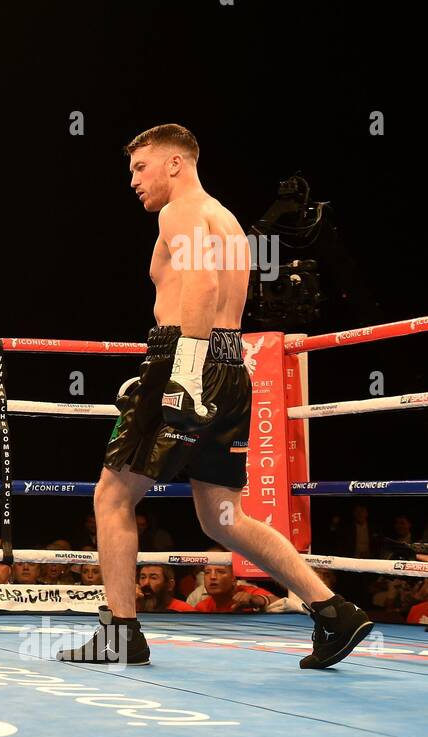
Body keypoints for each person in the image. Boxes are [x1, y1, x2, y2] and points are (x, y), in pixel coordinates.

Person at [59, 124, 371, 669]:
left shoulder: (180, 212)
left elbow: (199, 287)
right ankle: (333, 611)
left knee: (111, 497)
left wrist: (180, 373)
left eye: (141, 167)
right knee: (222, 516)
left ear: (176, 163)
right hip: (230, 364)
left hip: (189, 356)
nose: (133, 181)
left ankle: (120, 634)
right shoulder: (226, 220)